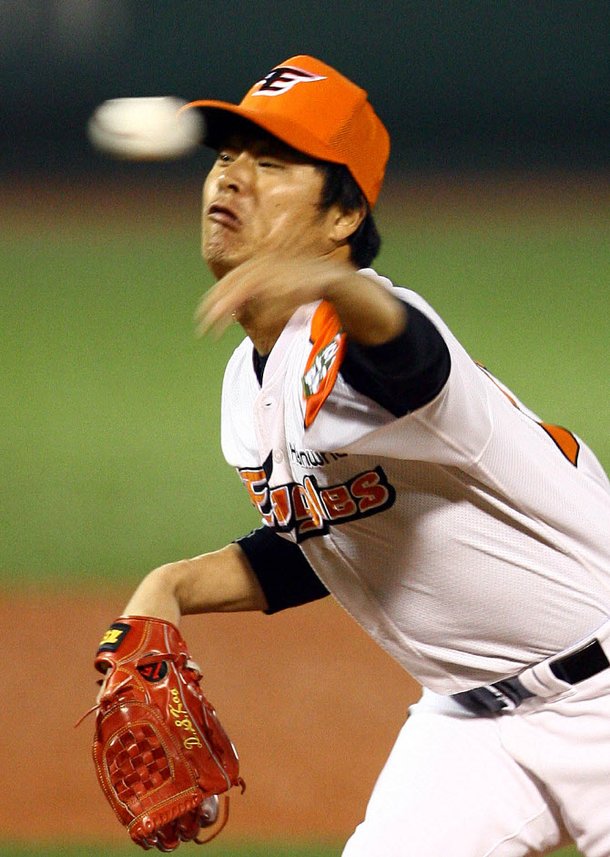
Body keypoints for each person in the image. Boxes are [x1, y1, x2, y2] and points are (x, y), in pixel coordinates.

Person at [117, 55, 610, 856]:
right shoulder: (249, 381)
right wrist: (168, 585)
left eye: (271, 163)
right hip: (467, 729)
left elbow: (406, 354)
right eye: (226, 157)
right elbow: (325, 538)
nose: (232, 178)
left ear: (344, 216)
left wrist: (329, 283)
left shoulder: (377, 335)